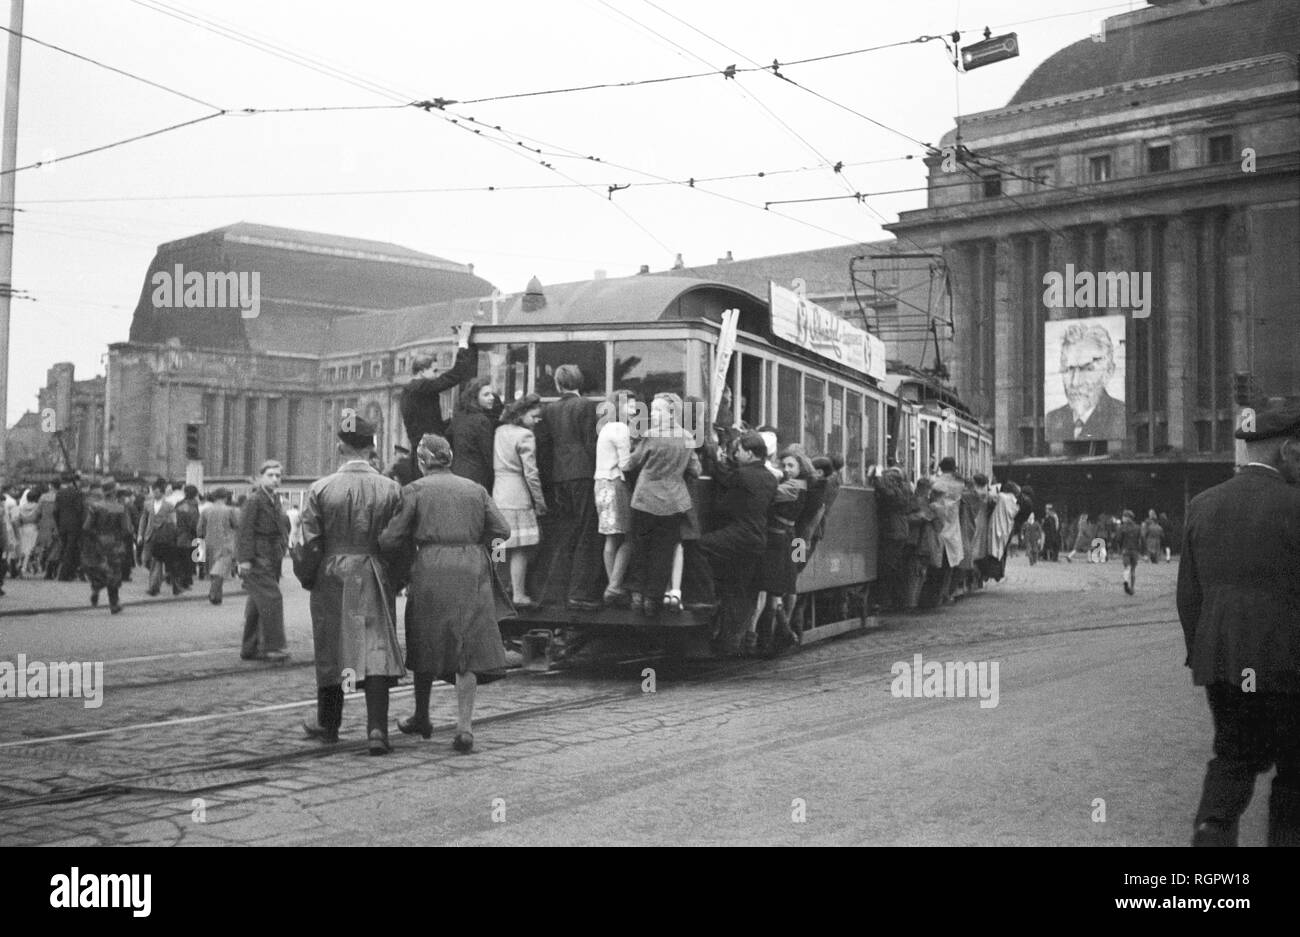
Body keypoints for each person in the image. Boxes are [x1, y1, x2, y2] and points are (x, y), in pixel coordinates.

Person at [1177, 400, 1300, 847]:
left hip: (1223, 665)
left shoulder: (1203, 504)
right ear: (1287, 450)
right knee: (1293, 772)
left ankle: (1211, 838)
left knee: (1231, 757)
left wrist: (1204, 653)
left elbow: (1189, 597)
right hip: (1288, 667)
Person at [380, 433, 514, 754]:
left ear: (422, 461)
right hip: (472, 568)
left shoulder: (414, 490)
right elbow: (503, 530)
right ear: (450, 458)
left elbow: (391, 538)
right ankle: (464, 727)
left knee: (426, 637)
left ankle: (422, 716)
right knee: (466, 647)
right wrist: (471, 537)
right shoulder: (475, 489)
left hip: (431, 567)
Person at [297, 416, 405, 755]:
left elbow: (309, 542)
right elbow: (400, 543)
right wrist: (395, 579)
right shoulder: (391, 488)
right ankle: (377, 729)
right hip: (373, 571)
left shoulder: (320, 488)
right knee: (375, 649)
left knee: (333, 649)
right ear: (373, 446)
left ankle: (329, 726)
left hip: (332, 574)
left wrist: (308, 576)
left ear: (341, 446)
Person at [698, 431, 777, 656]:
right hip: (757, 540)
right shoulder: (771, 478)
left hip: (739, 534)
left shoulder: (742, 475)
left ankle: (705, 595)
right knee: (739, 591)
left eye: (739, 451)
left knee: (699, 547)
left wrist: (711, 453)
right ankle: (730, 643)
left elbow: (723, 498)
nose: (736, 454)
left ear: (750, 453)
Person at [623, 393, 701, 617]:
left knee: (641, 547)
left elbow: (632, 463)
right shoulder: (687, 437)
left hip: (646, 498)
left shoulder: (651, 435)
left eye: (657, 410)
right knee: (664, 552)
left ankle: (637, 593)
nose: (652, 414)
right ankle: (653, 599)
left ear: (671, 413)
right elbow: (696, 469)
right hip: (673, 501)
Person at [533, 363, 604, 610]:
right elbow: (590, 442)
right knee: (587, 532)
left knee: (566, 533)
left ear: (558, 384)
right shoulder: (586, 406)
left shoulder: (550, 410)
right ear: (579, 382)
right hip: (583, 474)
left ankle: (556, 593)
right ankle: (580, 593)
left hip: (558, 476)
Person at [398, 322, 476, 479]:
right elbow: (455, 376)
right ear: (421, 371)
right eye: (433, 371)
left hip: (420, 452)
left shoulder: (409, 391)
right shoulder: (421, 387)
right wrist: (463, 342)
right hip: (431, 454)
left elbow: (430, 423)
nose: (436, 375)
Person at [492, 394, 548, 607]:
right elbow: (531, 473)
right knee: (521, 547)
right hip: (518, 494)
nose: (536, 421)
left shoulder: (499, 431)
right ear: (522, 414)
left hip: (499, 492)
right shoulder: (525, 436)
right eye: (534, 417)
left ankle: (495, 588)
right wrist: (539, 500)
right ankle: (518, 594)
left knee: (498, 544)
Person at [236, 460, 291, 663]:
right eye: (271, 475)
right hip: (258, 558)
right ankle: (274, 647)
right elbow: (244, 531)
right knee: (272, 599)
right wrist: (244, 560)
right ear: (260, 477)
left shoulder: (273, 499)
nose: (275, 479)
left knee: (257, 603)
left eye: (278, 476)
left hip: (271, 556)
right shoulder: (254, 500)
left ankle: (249, 648)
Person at [1045, 321, 1126, 441]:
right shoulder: (1052, 419)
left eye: (1087, 369)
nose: (1075, 382)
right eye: (1069, 369)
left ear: (1108, 372)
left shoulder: (1120, 416)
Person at [593, 392, 636, 606]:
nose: (634, 408)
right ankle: (614, 586)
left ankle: (613, 585)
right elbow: (626, 464)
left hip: (600, 484)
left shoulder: (606, 427)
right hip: (615, 484)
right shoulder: (621, 428)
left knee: (611, 537)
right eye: (630, 405)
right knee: (629, 536)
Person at [81, 478, 131, 614]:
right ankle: (114, 603)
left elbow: (86, 527)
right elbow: (127, 529)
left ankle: (96, 587)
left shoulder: (95, 507)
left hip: (98, 543)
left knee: (101, 570)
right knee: (115, 573)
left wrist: (96, 535)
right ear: (114, 491)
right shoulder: (120, 508)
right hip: (115, 544)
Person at [449, 376, 501, 492]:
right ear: (475, 397)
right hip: (477, 477)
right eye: (486, 395)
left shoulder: (459, 418)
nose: (492, 398)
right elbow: (487, 454)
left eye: (491, 394)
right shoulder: (482, 420)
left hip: (457, 473)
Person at [197, 488, 239, 604]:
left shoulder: (206, 511)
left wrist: (200, 542)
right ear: (225, 497)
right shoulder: (230, 510)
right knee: (220, 571)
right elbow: (236, 525)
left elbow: (199, 529)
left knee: (214, 570)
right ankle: (213, 592)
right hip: (226, 543)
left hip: (209, 543)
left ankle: (217, 596)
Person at [140, 479, 178, 595]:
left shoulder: (169, 506)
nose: (154, 494)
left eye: (157, 492)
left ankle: (154, 586)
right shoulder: (147, 504)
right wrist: (140, 534)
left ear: (162, 493)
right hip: (149, 535)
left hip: (162, 537)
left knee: (157, 561)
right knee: (145, 560)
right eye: (153, 492)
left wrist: (172, 532)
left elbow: (173, 521)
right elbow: (143, 520)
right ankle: (160, 577)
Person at [53, 473, 85, 581]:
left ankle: (71, 572)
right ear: (73, 482)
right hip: (74, 525)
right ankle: (64, 574)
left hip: (62, 525)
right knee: (70, 549)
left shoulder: (59, 494)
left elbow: (55, 511)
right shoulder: (77, 493)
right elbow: (79, 510)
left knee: (65, 547)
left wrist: (58, 523)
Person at [173, 485, 201, 590]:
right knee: (189, 561)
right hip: (189, 536)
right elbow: (194, 524)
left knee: (180, 560)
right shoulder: (192, 506)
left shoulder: (179, 505)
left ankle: (178, 581)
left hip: (178, 535)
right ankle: (185, 582)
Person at [37, 480, 59, 578]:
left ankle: (45, 567)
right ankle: (52, 569)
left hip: (44, 523)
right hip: (56, 524)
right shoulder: (59, 497)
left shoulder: (43, 497)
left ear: (51, 486)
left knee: (45, 547)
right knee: (55, 547)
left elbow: (38, 511)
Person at [1116, 509, 1142, 594]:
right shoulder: (1138, 527)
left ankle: (1126, 582)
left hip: (1125, 550)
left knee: (1126, 567)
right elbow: (1141, 540)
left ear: (1128, 518)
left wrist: (1119, 548)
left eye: (1124, 516)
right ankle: (1132, 588)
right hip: (1135, 551)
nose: (1122, 518)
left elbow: (1119, 539)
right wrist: (1143, 552)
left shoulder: (1122, 527)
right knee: (1133, 570)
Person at [16, 489, 40, 576]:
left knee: (23, 547)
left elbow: (18, 519)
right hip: (33, 528)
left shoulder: (21, 507)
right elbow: (39, 517)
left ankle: (19, 563)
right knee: (30, 549)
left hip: (23, 528)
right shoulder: (37, 507)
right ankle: (24, 567)